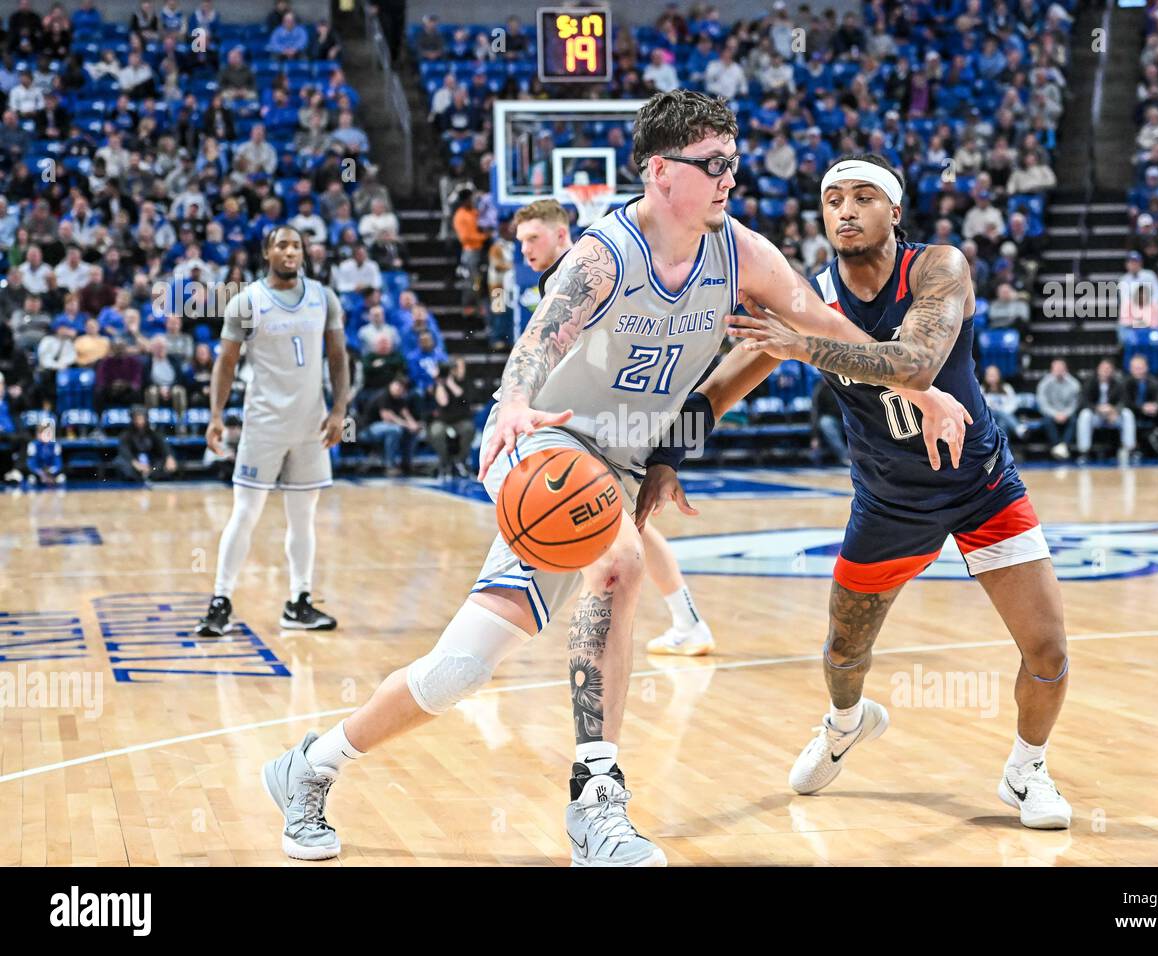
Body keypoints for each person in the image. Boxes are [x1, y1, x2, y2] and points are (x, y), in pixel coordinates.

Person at [260, 91, 970, 865]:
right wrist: (513, 402)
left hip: (620, 460)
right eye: (715, 164)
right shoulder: (605, 253)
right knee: (621, 559)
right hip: (543, 439)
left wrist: (926, 391)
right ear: (663, 174)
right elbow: (537, 340)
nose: (732, 176)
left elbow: (827, 326)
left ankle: (312, 763)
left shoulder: (744, 252)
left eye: (733, 161)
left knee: (458, 670)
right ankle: (596, 801)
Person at [683, 151, 1072, 829]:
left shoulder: (939, 267)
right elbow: (716, 394)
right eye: (834, 200)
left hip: (980, 485)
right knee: (842, 653)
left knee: (1048, 651)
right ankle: (845, 723)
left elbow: (917, 364)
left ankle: (1026, 771)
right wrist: (656, 456)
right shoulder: (807, 300)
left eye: (864, 197)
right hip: (889, 502)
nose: (847, 211)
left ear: (894, 210)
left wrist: (800, 347)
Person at [513, 197, 716, 657]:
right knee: (631, 528)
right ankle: (688, 621)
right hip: (621, 423)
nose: (525, 248)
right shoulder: (577, 274)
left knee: (562, 526)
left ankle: (490, 650)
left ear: (562, 234)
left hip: (608, 427)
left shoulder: (588, 269)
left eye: (533, 237)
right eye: (520, 241)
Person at [194, 226, 350, 637]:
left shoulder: (323, 297)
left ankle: (299, 602)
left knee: (304, 519)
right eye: (282, 245)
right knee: (245, 513)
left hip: (310, 426)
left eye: (296, 245)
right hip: (263, 424)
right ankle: (220, 601)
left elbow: (338, 357)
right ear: (267, 252)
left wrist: (339, 410)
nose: (290, 251)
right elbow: (225, 364)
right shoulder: (246, 302)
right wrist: (215, 415)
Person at [1076, 358, 1136, 465]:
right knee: (1085, 415)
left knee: (1128, 414)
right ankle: (1084, 452)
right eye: (1103, 368)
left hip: (1112, 417)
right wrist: (1097, 408)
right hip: (1096, 416)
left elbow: (1124, 401)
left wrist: (1115, 410)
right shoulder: (1090, 382)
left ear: (1112, 371)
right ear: (1098, 369)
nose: (1105, 371)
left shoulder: (1118, 383)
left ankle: (1130, 449)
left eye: (1108, 369)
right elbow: (1084, 401)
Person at [361, 376, 421, 477]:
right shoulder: (383, 395)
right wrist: (407, 425)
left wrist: (413, 425)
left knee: (412, 432)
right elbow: (387, 417)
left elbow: (405, 413)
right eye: (397, 385)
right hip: (368, 429)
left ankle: (406, 464)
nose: (399, 389)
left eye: (402, 387)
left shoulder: (399, 398)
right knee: (395, 430)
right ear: (391, 385)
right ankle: (390, 466)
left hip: (384, 427)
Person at [426, 356, 475, 478]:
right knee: (436, 432)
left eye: (457, 367)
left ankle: (460, 460)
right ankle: (445, 461)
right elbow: (443, 402)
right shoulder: (439, 383)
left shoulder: (467, 382)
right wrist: (440, 383)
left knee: (468, 429)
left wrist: (450, 382)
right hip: (443, 420)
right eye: (453, 367)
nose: (455, 370)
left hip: (461, 420)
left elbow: (462, 396)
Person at [115, 405, 177, 483]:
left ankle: (154, 476)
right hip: (135, 466)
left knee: (165, 463)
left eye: (142, 418)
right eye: (137, 418)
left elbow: (164, 446)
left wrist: (169, 458)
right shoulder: (126, 435)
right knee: (120, 462)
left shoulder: (154, 433)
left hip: (152, 466)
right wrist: (136, 464)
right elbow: (124, 452)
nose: (140, 421)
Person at [1035, 358, 1080, 461]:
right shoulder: (1044, 384)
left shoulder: (1074, 384)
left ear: (1066, 369)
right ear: (1052, 370)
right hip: (1051, 414)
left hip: (1067, 414)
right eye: (1056, 368)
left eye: (1061, 368)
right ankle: (1058, 447)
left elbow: (1075, 404)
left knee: (1073, 420)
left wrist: (1065, 414)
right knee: (1047, 420)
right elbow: (1042, 403)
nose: (1059, 370)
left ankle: (1063, 446)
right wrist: (1055, 414)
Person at [25, 419, 64, 486]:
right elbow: (31, 462)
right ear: (38, 435)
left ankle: (53, 478)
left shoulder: (55, 445)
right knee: (32, 478)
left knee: (61, 477)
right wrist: (40, 473)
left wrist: (52, 471)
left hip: (51, 469)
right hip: (38, 470)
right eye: (43, 433)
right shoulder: (33, 445)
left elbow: (58, 461)